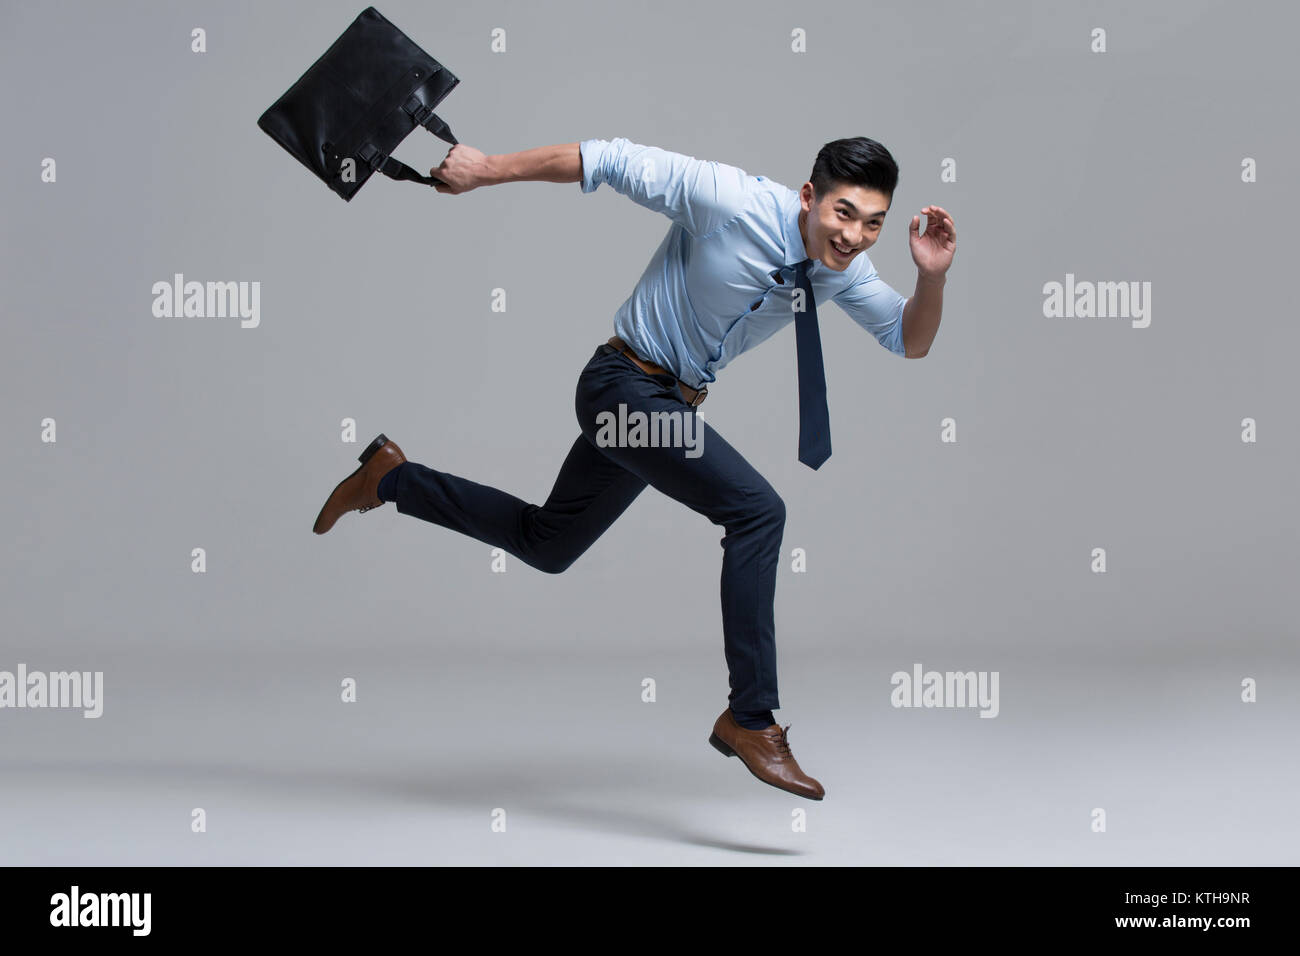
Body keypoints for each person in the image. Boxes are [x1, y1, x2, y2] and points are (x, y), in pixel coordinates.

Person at [312, 137, 956, 800]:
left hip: (659, 405)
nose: (853, 236)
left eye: (872, 223)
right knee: (757, 510)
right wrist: (486, 171)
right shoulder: (729, 199)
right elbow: (605, 158)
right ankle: (751, 719)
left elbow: (911, 339)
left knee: (548, 543)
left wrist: (930, 275)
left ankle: (390, 479)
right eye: (843, 213)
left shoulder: (841, 269)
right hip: (620, 387)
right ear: (807, 197)